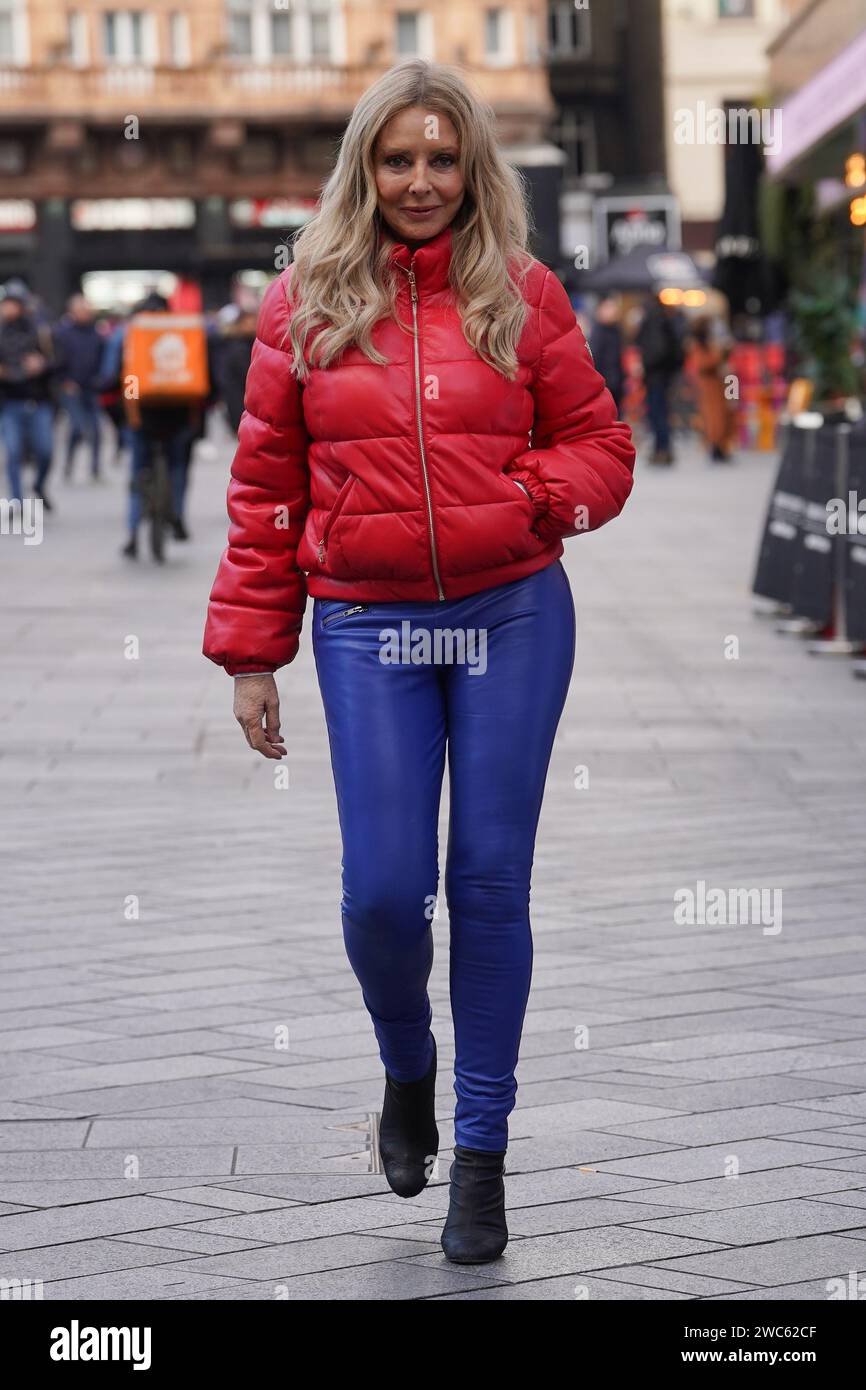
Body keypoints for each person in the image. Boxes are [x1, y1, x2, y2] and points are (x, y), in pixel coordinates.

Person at [202, 59, 636, 1265]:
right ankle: (408, 1068)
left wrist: (538, 492)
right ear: (364, 169)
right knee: (386, 891)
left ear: (472, 170)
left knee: (489, 884)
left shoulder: (523, 292)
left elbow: (600, 439)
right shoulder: (302, 304)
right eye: (399, 159)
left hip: (510, 615)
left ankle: (482, 1159)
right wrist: (251, 652)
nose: (421, 180)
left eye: (443, 159)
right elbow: (263, 491)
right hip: (366, 624)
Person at [120, 292, 208, 559]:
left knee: (138, 474)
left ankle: (133, 533)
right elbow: (205, 377)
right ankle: (178, 517)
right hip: (179, 416)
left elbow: (120, 377)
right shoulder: (187, 332)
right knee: (178, 467)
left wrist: (127, 413)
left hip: (143, 418)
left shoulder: (132, 334)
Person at [0, 280, 57, 508]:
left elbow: (57, 362)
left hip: (37, 401)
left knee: (45, 452)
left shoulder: (40, 331)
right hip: (9, 403)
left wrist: (41, 364)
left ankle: (39, 485)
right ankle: (17, 501)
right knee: (13, 453)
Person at [53, 293, 105, 482]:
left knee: (97, 429)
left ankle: (95, 469)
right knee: (77, 427)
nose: (86, 313)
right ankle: (68, 462)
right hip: (71, 387)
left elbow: (102, 359)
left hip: (91, 387)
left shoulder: (96, 334)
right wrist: (65, 380)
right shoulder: (62, 333)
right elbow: (56, 361)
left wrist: (101, 380)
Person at [636, 294, 685, 464]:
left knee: (657, 413)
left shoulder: (652, 320)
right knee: (661, 412)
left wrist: (646, 365)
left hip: (655, 376)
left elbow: (654, 349)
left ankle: (662, 450)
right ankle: (663, 449)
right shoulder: (666, 319)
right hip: (664, 376)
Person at [689, 316, 736, 462]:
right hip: (708, 387)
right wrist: (720, 355)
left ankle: (721, 446)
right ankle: (715, 447)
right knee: (713, 417)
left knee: (723, 415)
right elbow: (704, 364)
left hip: (718, 385)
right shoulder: (699, 346)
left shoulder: (709, 345)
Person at [214, 304, 258, 434]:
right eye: (249, 322)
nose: (253, 325)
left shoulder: (247, 344)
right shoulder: (238, 347)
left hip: (243, 406)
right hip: (241, 407)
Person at [589, 296, 625, 417]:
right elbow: (595, 357)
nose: (613, 310)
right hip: (604, 383)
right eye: (609, 307)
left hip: (616, 383)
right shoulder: (598, 332)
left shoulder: (616, 331)